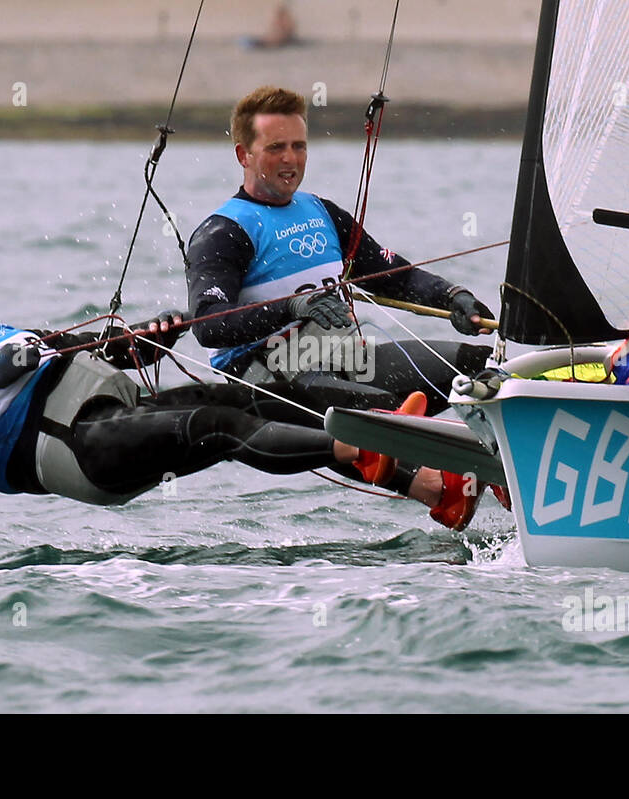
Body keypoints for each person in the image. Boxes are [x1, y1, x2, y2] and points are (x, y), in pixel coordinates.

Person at [0, 232, 480, 528]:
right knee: (220, 427)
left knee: (249, 397)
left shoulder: (1, 335)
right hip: (72, 450)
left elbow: (93, 361)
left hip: (110, 414)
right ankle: (368, 441)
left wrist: (147, 339)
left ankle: (433, 487)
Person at [184, 85, 505, 525]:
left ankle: (497, 473)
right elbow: (207, 325)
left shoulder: (322, 212)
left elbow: (398, 276)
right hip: (269, 375)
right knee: (381, 409)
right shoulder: (222, 232)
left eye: (299, 146)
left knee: (481, 371)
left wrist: (452, 297)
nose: (291, 159)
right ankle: (432, 478)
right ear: (244, 154)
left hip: (346, 360)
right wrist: (292, 308)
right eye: (275, 147)